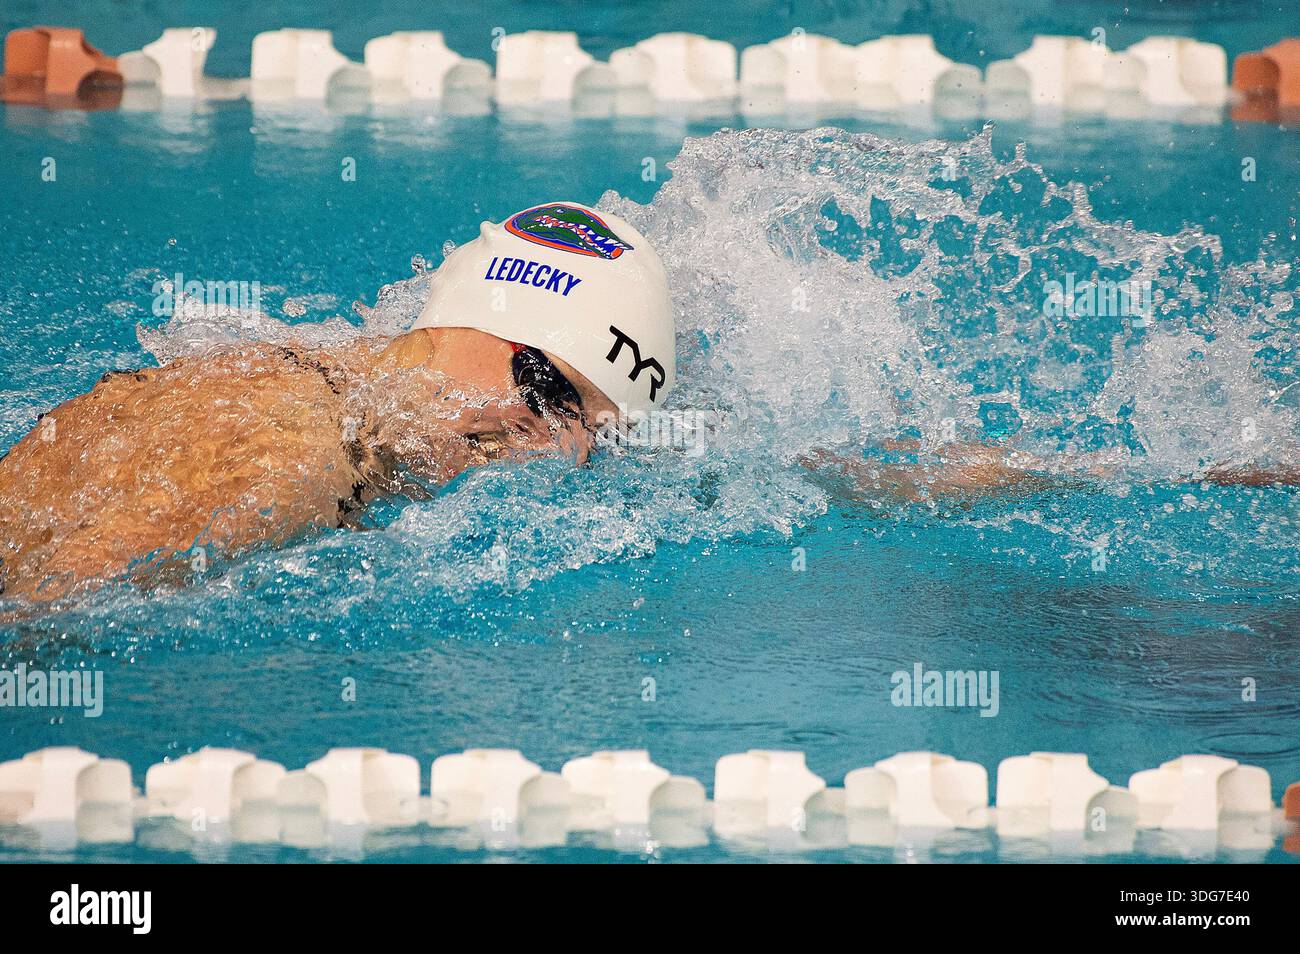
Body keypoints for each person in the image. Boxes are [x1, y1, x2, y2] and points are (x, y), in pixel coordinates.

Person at [0, 202, 1291, 601]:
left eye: (579, 428)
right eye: (541, 387)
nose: (532, 445)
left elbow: (840, 464)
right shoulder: (285, 451)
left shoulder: (355, 400)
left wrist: (1178, 470)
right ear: (482, 335)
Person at [0, 202, 675, 600]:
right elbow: (42, 608)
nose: (558, 445)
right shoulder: (286, 450)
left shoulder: (339, 421)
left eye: (596, 436)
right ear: (463, 318)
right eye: (549, 390)